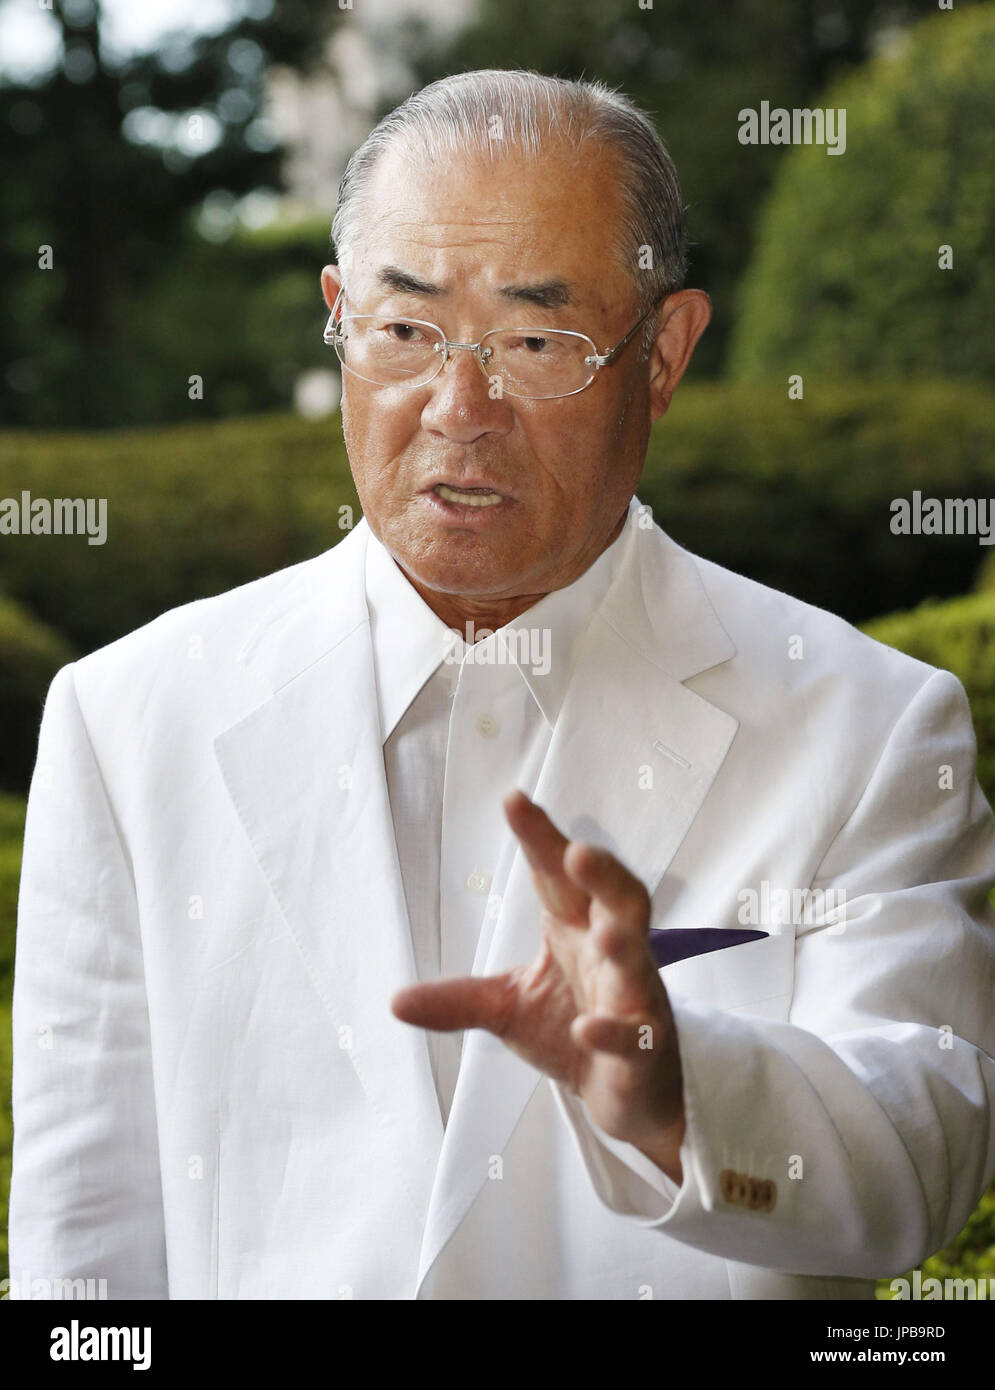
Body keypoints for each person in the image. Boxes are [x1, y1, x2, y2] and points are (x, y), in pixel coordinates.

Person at [8, 68, 995, 1301]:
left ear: (664, 355)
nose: (457, 408)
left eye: (536, 341)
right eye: (405, 330)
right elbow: (84, 1256)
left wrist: (674, 1085)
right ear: (337, 316)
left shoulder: (867, 725)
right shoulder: (128, 719)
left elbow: (919, 1156)